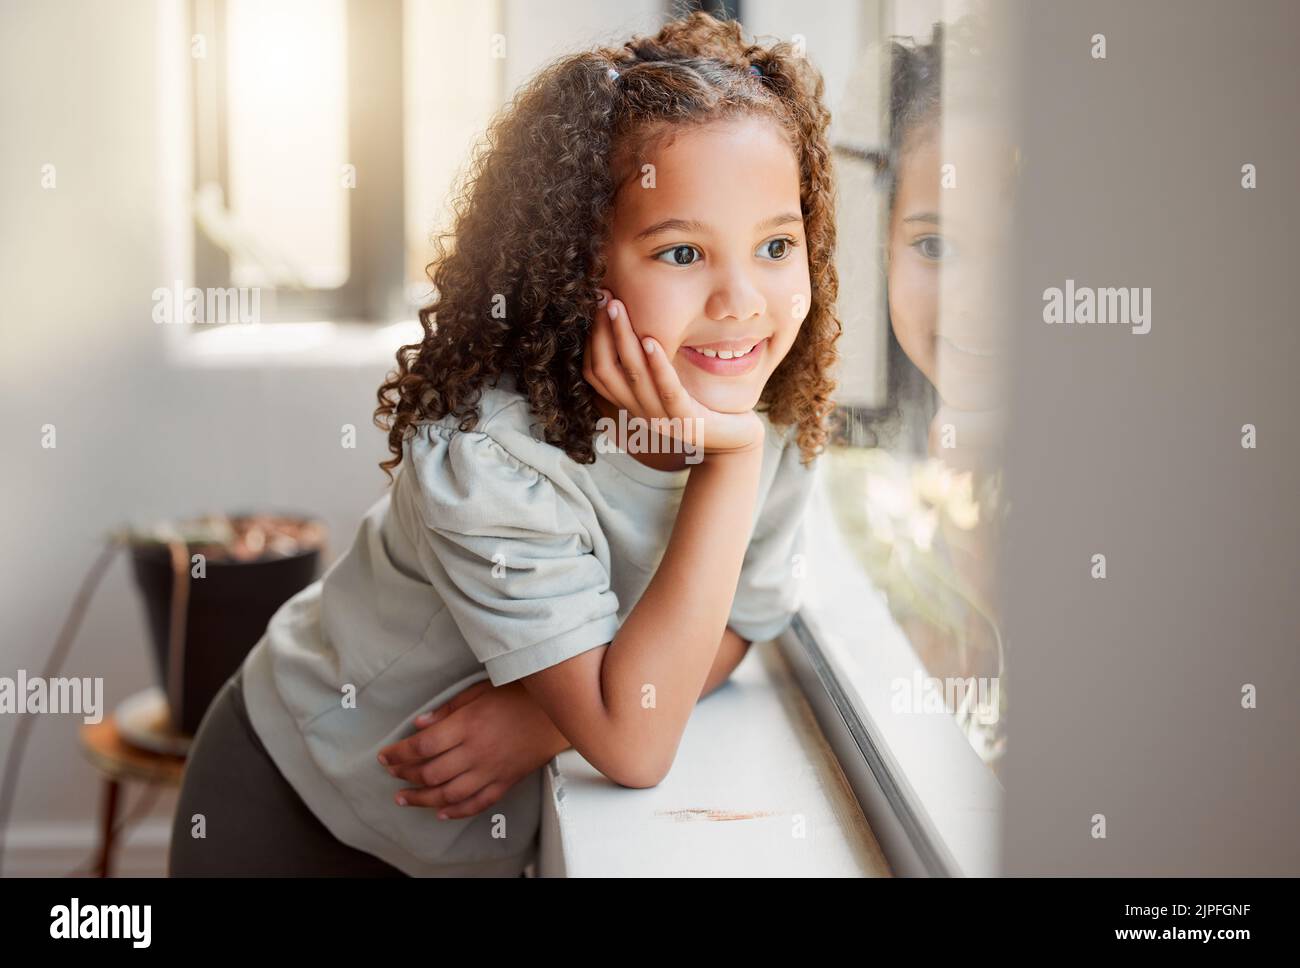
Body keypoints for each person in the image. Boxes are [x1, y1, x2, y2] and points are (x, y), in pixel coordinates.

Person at [169, 10, 840, 877]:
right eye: (681, 254)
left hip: (469, 846)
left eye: (777, 245)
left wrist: (544, 720)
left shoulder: (765, 419)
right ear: (577, 267)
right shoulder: (490, 453)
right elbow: (636, 746)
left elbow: (742, 620)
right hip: (298, 803)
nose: (742, 300)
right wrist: (729, 463)